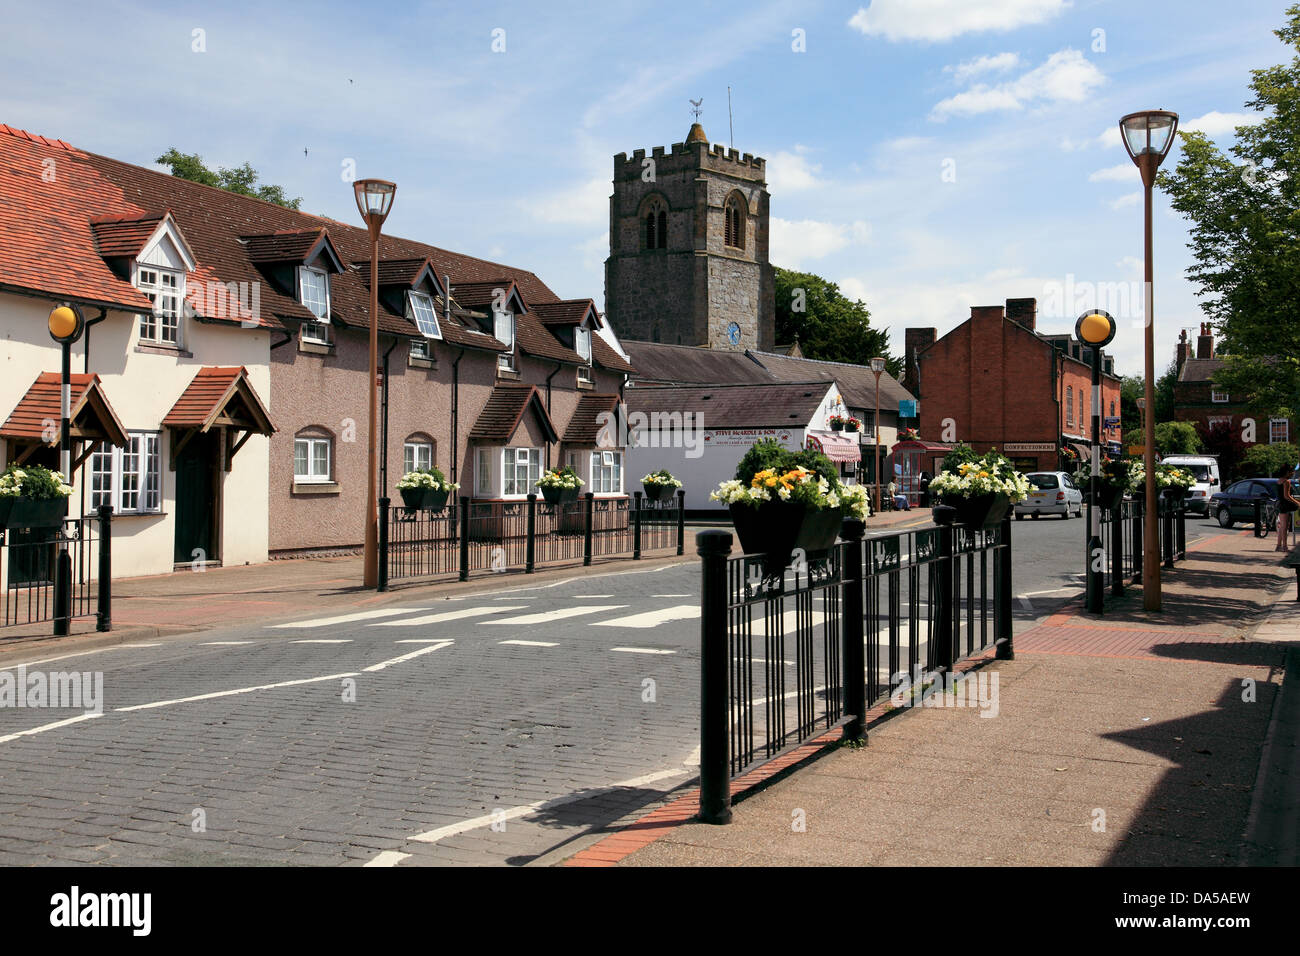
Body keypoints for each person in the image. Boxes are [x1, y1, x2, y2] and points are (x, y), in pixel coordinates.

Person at [1275, 465, 1298, 552]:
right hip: (1285, 504)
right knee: (1285, 527)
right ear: (1287, 472)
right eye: (1291, 471)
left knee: (1282, 526)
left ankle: (1278, 546)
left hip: (1281, 504)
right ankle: (1285, 546)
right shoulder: (1286, 481)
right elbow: (1287, 496)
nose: (1292, 473)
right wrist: (1297, 502)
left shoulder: (1279, 481)